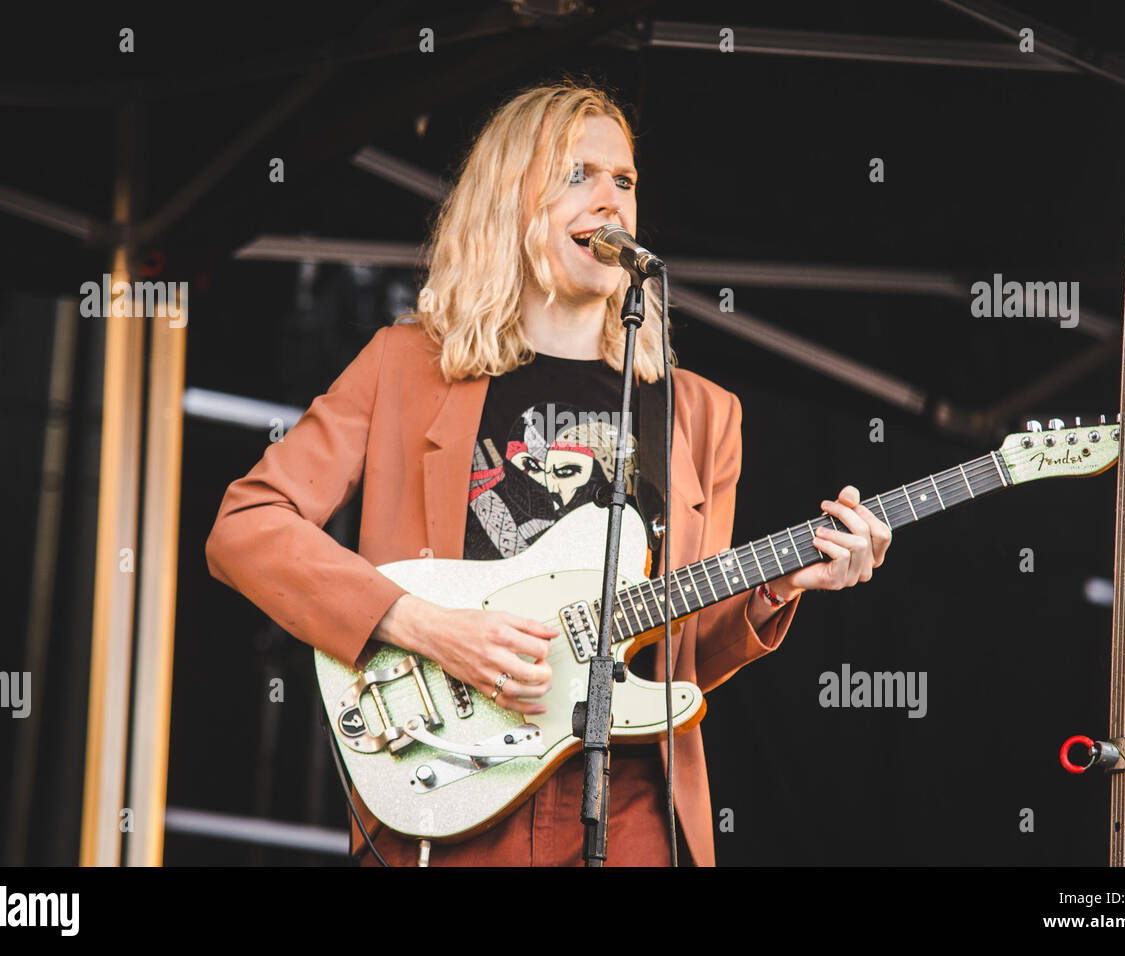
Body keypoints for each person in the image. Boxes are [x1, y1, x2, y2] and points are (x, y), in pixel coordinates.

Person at [204, 79, 892, 867]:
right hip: (456, 783)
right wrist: (425, 626)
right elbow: (246, 529)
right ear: (510, 201)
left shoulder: (702, 414)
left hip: (633, 799)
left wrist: (779, 587)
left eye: (625, 181)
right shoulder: (405, 368)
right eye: (577, 174)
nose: (611, 201)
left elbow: (682, 653)